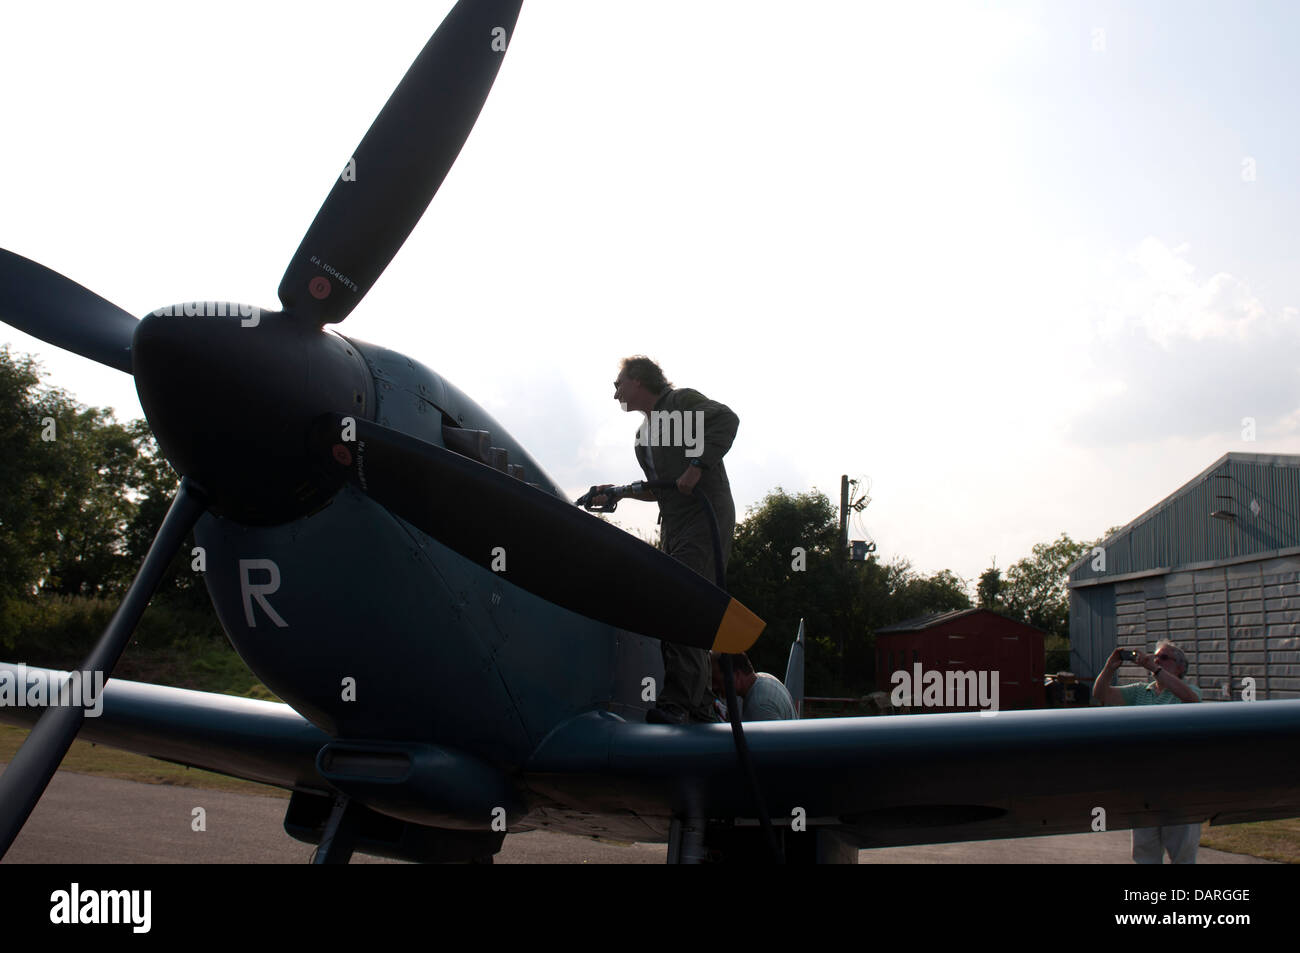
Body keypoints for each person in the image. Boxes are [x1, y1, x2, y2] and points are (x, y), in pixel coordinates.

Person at [593, 356, 739, 724]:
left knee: (682, 601)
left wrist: (697, 466)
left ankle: (678, 701)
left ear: (639, 381)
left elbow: (726, 419)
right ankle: (700, 703)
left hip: (703, 522)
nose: (615, 394)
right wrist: (619, 493)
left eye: (619, 384)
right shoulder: (644, 438)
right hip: (673, 527)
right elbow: (661, 491)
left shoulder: (680, 404)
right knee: (676, 603)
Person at [1092, 639, 1202, 864]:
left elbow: (1191, 700)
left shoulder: (1188, 690)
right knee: (1145, 851)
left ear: (1180, 667)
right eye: (1155, 656)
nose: (1155, 660)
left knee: (1182, 852)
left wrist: (1154, 668)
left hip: (1180, 782)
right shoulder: (1140, 692)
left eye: (1163, 657)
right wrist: (1109, 667)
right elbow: (1101, 694)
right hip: (1144, 782)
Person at [710, 652, 797, 721]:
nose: (714, 687)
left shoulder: (759, 704)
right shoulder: (765, 678)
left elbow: (770, 743)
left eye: (717, 681)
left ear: (736, 675)